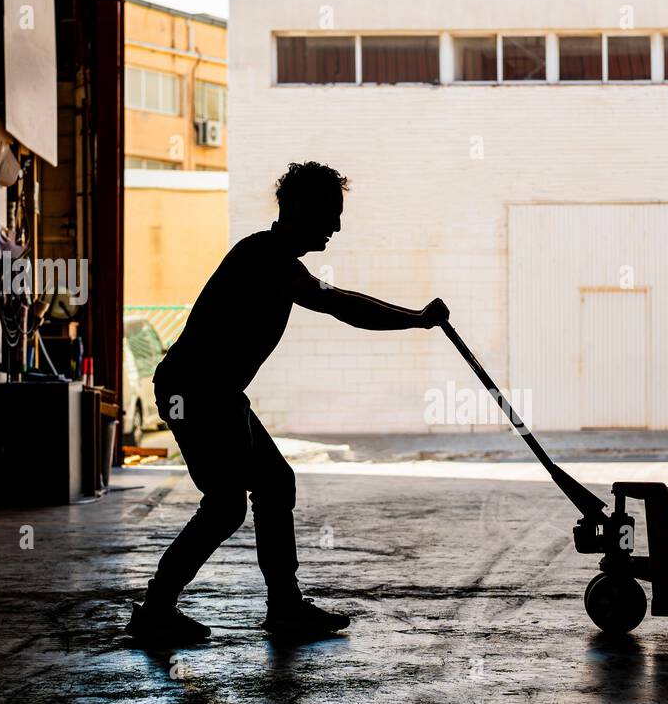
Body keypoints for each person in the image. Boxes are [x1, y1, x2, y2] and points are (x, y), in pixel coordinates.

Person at [127, 161, 448, 645]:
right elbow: (340, 304)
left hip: (213, 392)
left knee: (274, 482)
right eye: (330, 214)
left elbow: (334, 299)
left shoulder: (278, 260)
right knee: (225, 507)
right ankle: (158, 609)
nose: (336, 227)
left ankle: (283, 607)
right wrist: (417, 319)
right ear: (299, 209)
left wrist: (415, 319)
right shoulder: (266, 258)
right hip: (196, 392)